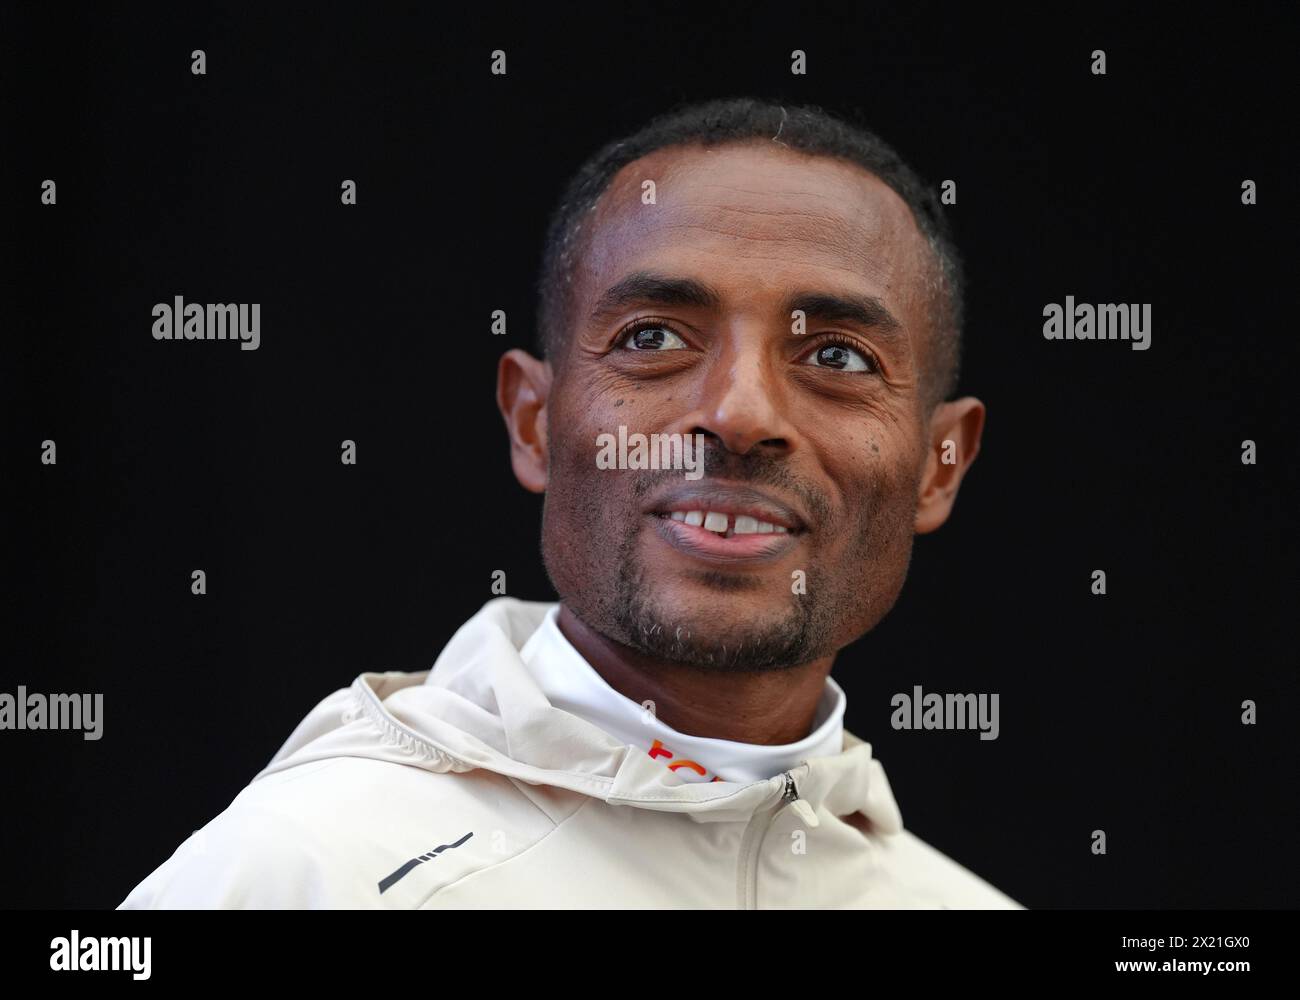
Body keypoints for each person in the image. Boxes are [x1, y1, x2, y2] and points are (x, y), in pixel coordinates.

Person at [119, 97, 1019, 909]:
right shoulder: (307, 874)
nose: (741, 415)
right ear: (534, 422)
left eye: (837, 358)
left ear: (941, 464)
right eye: (654, 337)